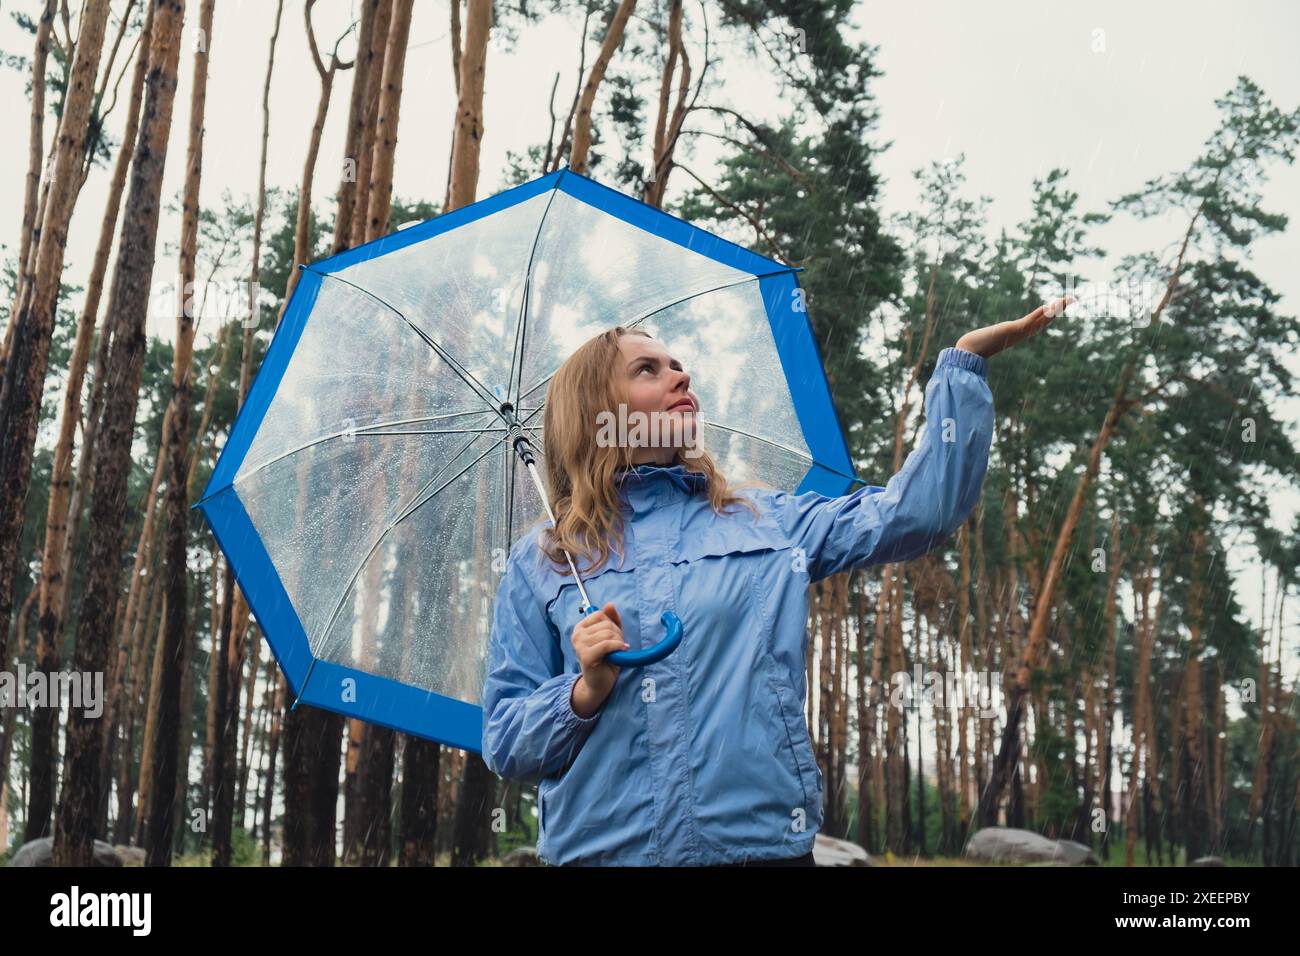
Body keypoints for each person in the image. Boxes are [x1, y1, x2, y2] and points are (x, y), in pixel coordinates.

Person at [480, 297, 1072, 866]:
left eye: (679, 365)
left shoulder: (768, 522)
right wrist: (581, 695)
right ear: (597, 413)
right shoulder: (545, 563)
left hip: (761, 851)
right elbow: (507, 743)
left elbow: (919, 514)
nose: (681, 378)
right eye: (648, 370)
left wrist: (962, 367)